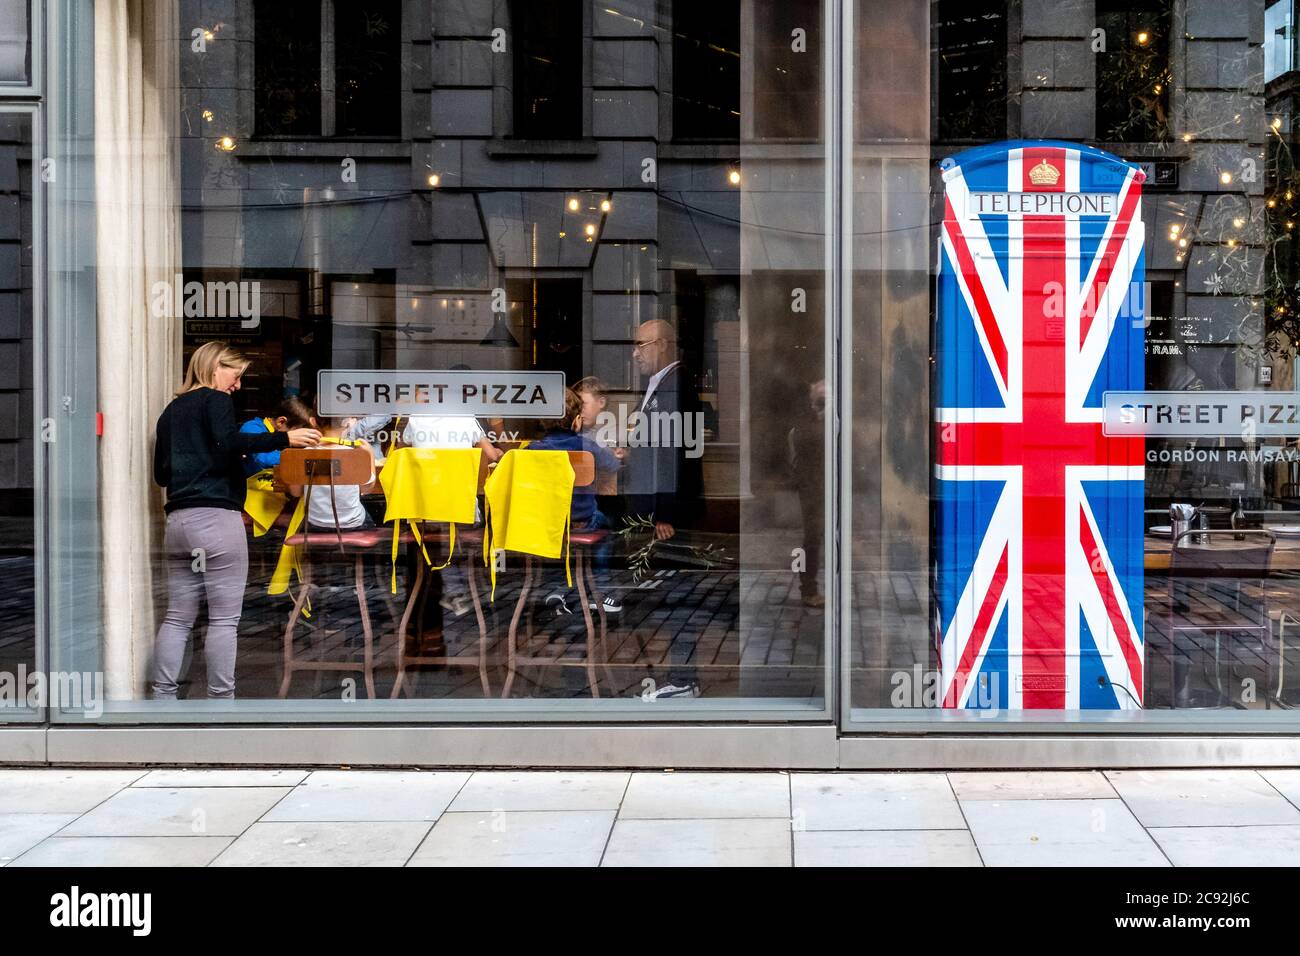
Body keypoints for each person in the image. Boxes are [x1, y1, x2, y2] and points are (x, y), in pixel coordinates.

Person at [152, 342, 321, 700]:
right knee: (224, 620)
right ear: (215, 367)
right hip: (217, 520)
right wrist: (285, 438)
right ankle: (221, 704)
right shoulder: (215, 400)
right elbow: (228, 441)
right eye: (236, 374)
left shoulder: (169, 412)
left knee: (177, 617)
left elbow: (162, 475)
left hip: (178, 522)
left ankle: (162, 700)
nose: (238, 385)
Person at [625, 319, 704, 699]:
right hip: (660, 510)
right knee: (672, 591)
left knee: (679, 592)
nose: (635, 352)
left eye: (642, 344)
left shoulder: (674, 384)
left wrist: (666, 513)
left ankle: (685, 677)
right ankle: (682, 675)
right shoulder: (660, 384)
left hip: (668, 513)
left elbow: (674, 455)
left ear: (664, 344)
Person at [526, 388, 624, 616]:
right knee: (605, 527)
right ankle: (600, 592)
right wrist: (616, 455)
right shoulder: (585, 446)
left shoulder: (533, 449)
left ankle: (557, 589)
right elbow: (612, 465)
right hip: (582, 521)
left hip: (548, 524)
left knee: (559, 544)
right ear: (577, 421)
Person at [788, 380, 827, 608]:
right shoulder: (806, 424)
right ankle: (808, 588)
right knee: (812, 537)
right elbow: (807, 446)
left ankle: (815, 586)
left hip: (824, 485)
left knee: (820, 537)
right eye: (821, 396)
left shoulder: (829, 420)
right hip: (812, 487)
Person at [239, 396, 318, 477]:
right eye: (296, 433)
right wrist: (298, 458)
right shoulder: (252, 427)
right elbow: (263, 458)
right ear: (281, 422)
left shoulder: (275, 433)